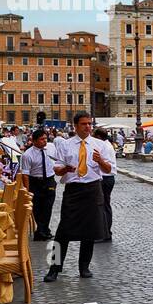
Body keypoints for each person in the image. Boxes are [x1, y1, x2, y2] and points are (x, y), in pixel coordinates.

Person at [44, 111, 111, 282]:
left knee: (90, 231)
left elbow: (108, 170)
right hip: (73, 190)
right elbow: (56, 169)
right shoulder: (65, 145)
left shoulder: (99, 145)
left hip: (93, 189)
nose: (88, 127)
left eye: (90, 124)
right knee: (62, 232)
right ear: (75, 126)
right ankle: (54, 268)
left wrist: (100, 161)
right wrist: (66, 169)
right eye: (84, 124)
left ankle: (84, 267)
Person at [19, 126, 58, 240]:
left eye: (46, 138)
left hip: (49, 181)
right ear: (34, 141)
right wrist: (27, 190)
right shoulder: (27, 155)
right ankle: (40, 231)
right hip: (36, 182)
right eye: (42, 139)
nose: (45, 141)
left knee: (48, 206)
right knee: (37, 208)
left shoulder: (50, 148)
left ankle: (45, 229)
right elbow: (25, 174)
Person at [92, 127, 117, 241]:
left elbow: (105, 164)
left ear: (98, 137)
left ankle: (105, 233)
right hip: (108, 178)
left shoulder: (104, 147)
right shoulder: (107, 145)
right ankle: (105, 233)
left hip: (105, 178)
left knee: (103, 205)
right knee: (104, 205)